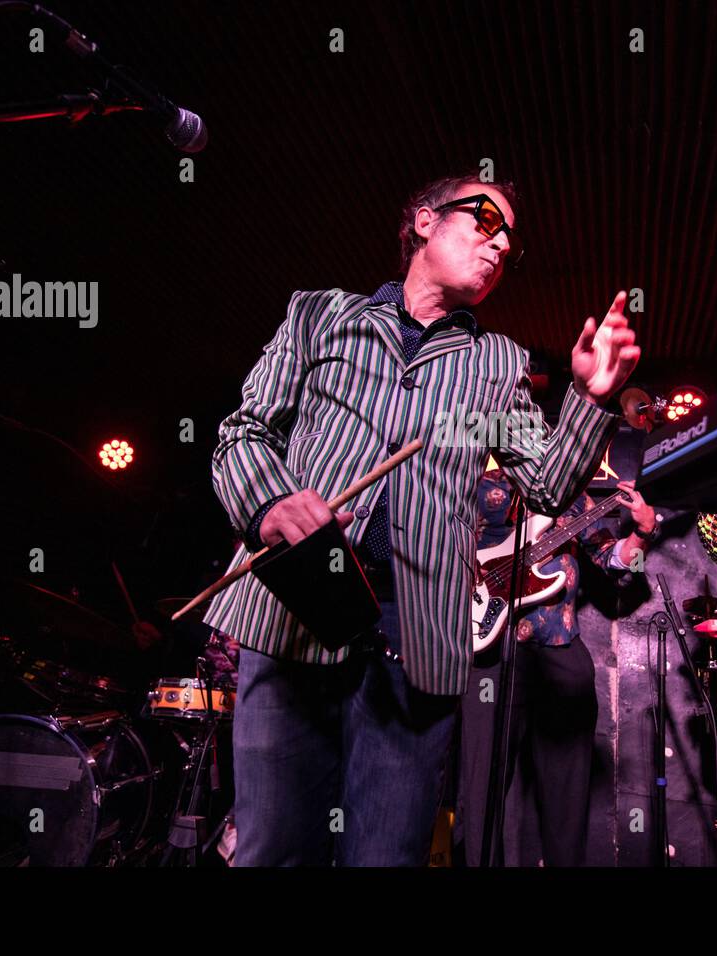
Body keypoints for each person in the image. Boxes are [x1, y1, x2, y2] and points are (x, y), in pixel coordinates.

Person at [203, 173, 641, 865]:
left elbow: (549, 484)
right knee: (273, 852)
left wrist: (590, 397)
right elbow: (243, 431)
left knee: (384, 856)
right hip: (294, 608)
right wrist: (270, 502)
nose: (500, 245)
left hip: (416, 637)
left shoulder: (497, 361)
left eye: (511, 243)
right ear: (425, 220)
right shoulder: (319, 314)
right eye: (486, 218)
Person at [458, 469, 658, 866]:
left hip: (560, 645)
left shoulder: (573, 495)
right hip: (491, 651)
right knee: (480, 788)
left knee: (567, 789)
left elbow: (616, 563)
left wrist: (643, 533)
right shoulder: (476, 482)